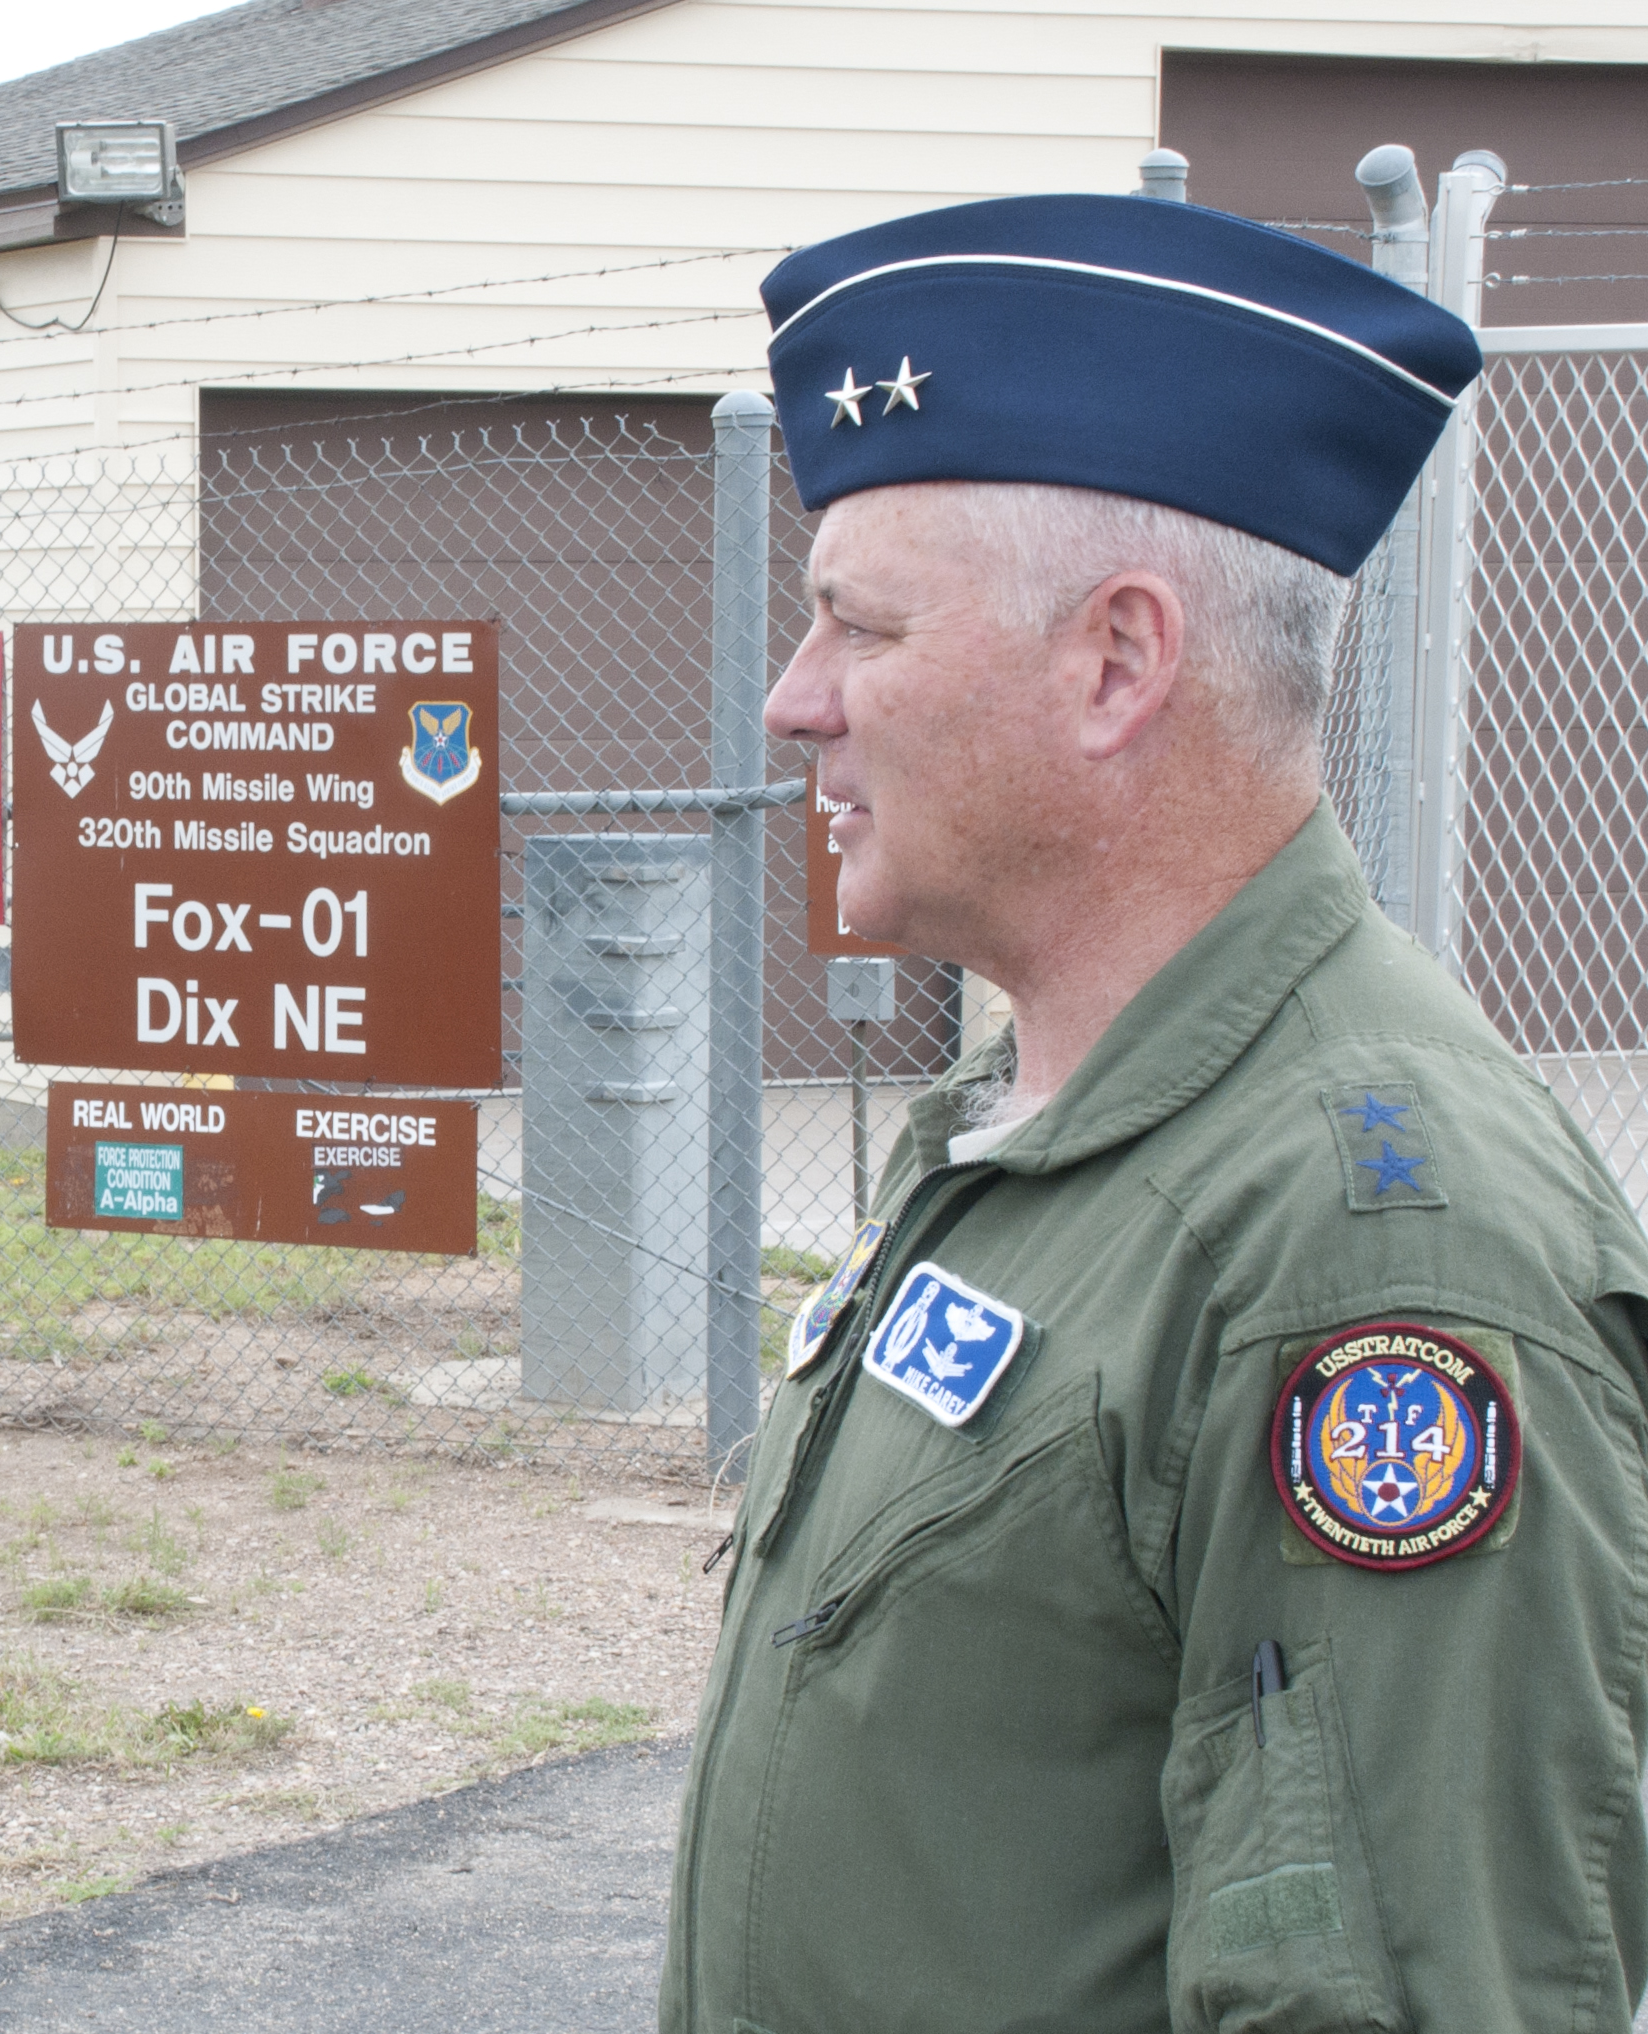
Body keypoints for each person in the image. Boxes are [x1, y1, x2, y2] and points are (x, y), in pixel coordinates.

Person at [665, 195, 1648, 2029]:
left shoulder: (1366, 1248)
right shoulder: (1033, 1109)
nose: (795, 702)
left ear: (1118, 661)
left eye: (857, 626)